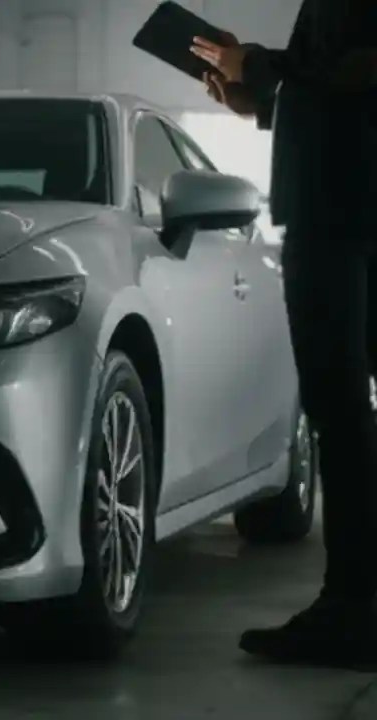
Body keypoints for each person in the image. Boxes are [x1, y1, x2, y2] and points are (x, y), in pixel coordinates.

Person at [190, 0, 377, 666]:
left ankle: (352, 612)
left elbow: (356, 68)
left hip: (338, 214)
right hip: (341, 203)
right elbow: (339, 86)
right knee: (345, 417)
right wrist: (262, 97)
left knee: (341, 415)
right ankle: (353, 606)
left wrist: (260, 66)